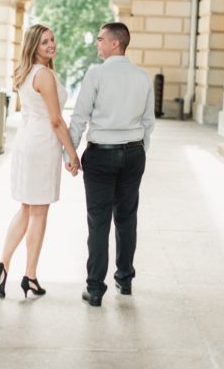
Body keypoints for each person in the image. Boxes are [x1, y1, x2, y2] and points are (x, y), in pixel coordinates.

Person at [66, 22, 155, 307]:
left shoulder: (96, 75)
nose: (97, 43)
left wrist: (70, 154)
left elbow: (79, 117)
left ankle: (94, 289)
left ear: (115, 43)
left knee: (99, 220)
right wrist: (140, 149)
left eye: (100, 39)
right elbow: (148, 122)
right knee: (127, 217)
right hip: (133, 154)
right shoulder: (143, 78)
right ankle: (125, 279)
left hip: (101, 155)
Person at [0, 24, 81, 299]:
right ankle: (29, 276)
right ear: (33, 46)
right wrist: (72, 153)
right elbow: (55, 119)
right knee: (38, 212)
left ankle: (2, 266)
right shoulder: (43, 75)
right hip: (41, 145)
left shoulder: (26, 72)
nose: (51, 45)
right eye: (44, 42)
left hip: (27, 142)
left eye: (52, 40)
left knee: (27, 209)